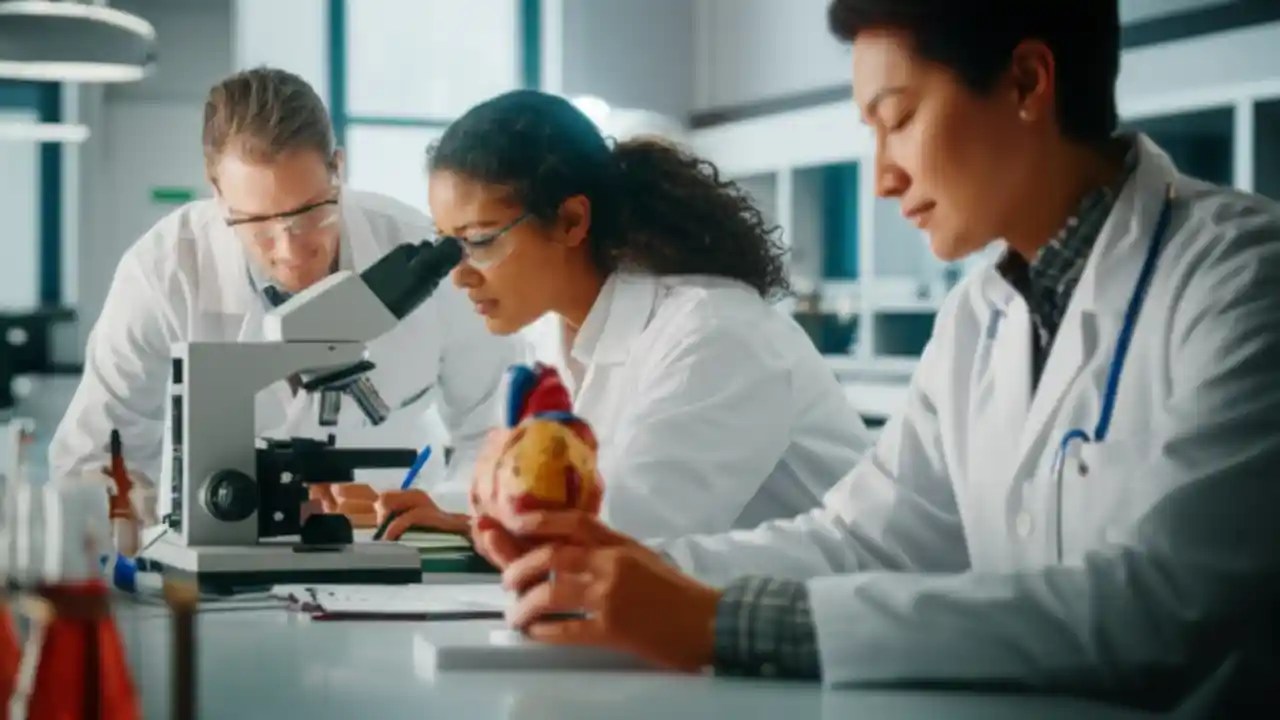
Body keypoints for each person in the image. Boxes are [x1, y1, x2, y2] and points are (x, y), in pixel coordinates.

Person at [468, 0, 1280, 714]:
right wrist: (609, 569)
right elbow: (862, 540)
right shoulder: (979, 317)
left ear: (1029, 82)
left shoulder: (1243, 277)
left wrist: (714, 621)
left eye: (898, 118)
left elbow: (1167, 608)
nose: (884, 177)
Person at [375, 89, 872, 541]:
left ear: (571, 221)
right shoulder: (555, 338)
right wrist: (423, 509)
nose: (460, 276)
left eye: (480, 241)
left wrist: (465, 526)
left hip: (823, 620)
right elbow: (537, 497)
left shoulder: (711, 333)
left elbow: (629, 528)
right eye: (448, 247)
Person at [49, 67, 517, 531]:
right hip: (224, 559)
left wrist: (443, 511)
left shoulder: (421, 255)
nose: (291, 248)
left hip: (393, 552)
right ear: (217, 195)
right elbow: (98, 456)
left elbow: (496, 430)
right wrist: (136, 534)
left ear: (338, 169)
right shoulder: (165, 271)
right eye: (257, 222)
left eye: (309, 212)